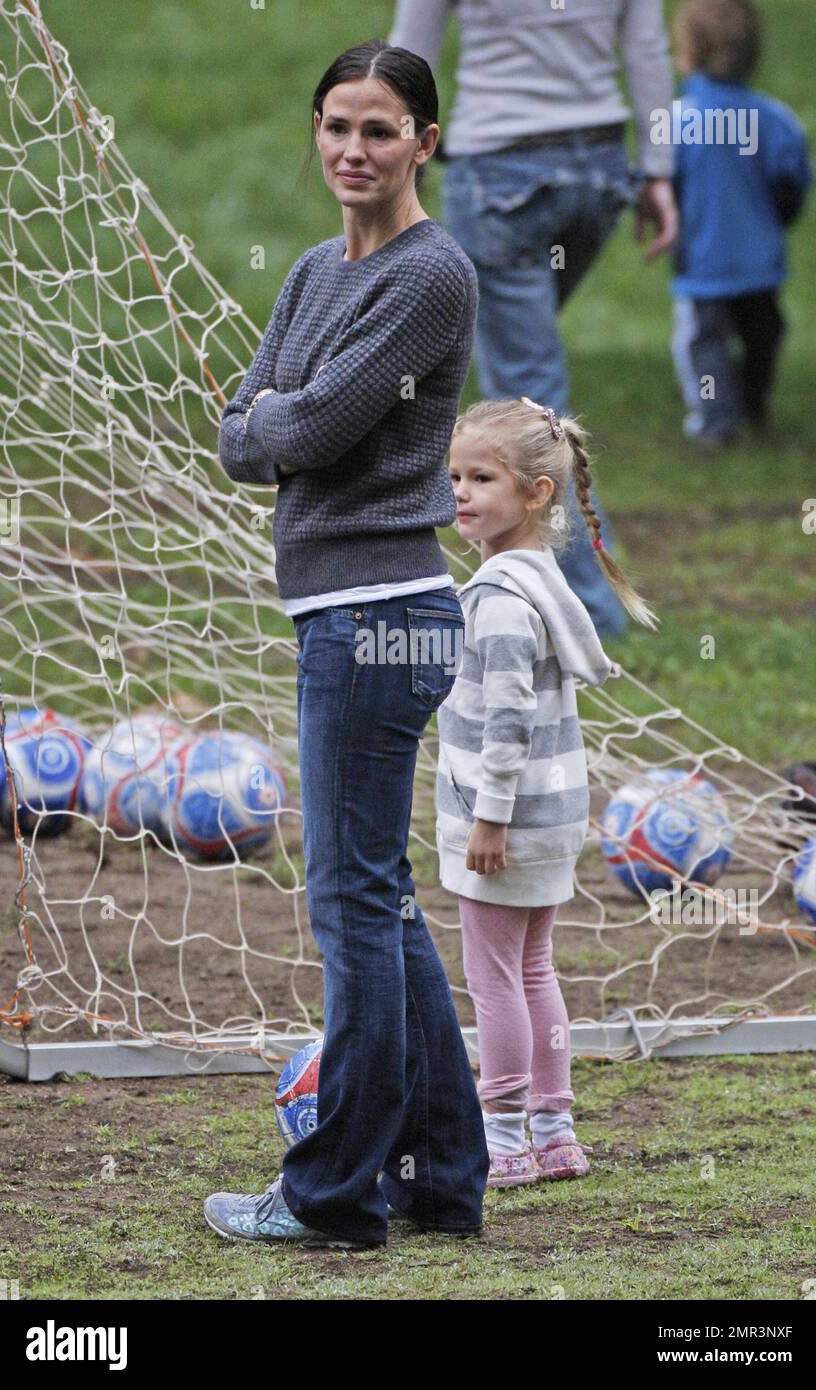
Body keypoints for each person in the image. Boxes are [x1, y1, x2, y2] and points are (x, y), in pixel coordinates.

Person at [205, 40, 490, 1249]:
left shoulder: (433, 276)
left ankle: (330, 1195)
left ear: (424, 140)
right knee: (377, 901)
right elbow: (238, 432)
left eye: (379, 130)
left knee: (350, 908)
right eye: (335, 127)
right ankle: (444, 1177)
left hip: (382, 617)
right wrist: (277, 419)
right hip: (339, 610)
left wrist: (280, 418)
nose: (353, 151)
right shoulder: (315, 270)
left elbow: (303, 425)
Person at [389, 0, 679, 638]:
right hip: (599, 174)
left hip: (501, 174)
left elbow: (408, 61)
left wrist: (394, 164)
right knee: (523, 370)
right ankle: (553, 591)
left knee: (528, 397)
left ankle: (591, 615)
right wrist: (659, 169)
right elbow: (648, 52)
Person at [437, 396, 656, 1185]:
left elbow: (506, 724)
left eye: (482, 477)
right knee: (534, 970)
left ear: (537, 494)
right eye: (455, 475)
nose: (460, 492)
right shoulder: (545, 584)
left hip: (507, 823)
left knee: (495, 977)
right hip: (556, 819)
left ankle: (501, 1141)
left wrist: (489, 818)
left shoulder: (499, 600)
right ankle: (556, 1133)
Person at [668, 0, 813, 450]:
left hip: (703, 261)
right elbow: (793, 183)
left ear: (687, 51)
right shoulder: (774, 117)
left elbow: (660, 183)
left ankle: (715, 421)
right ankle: (754, 403)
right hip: (760, 260)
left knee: (703, 342)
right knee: (762, 335)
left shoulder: (679, 120)